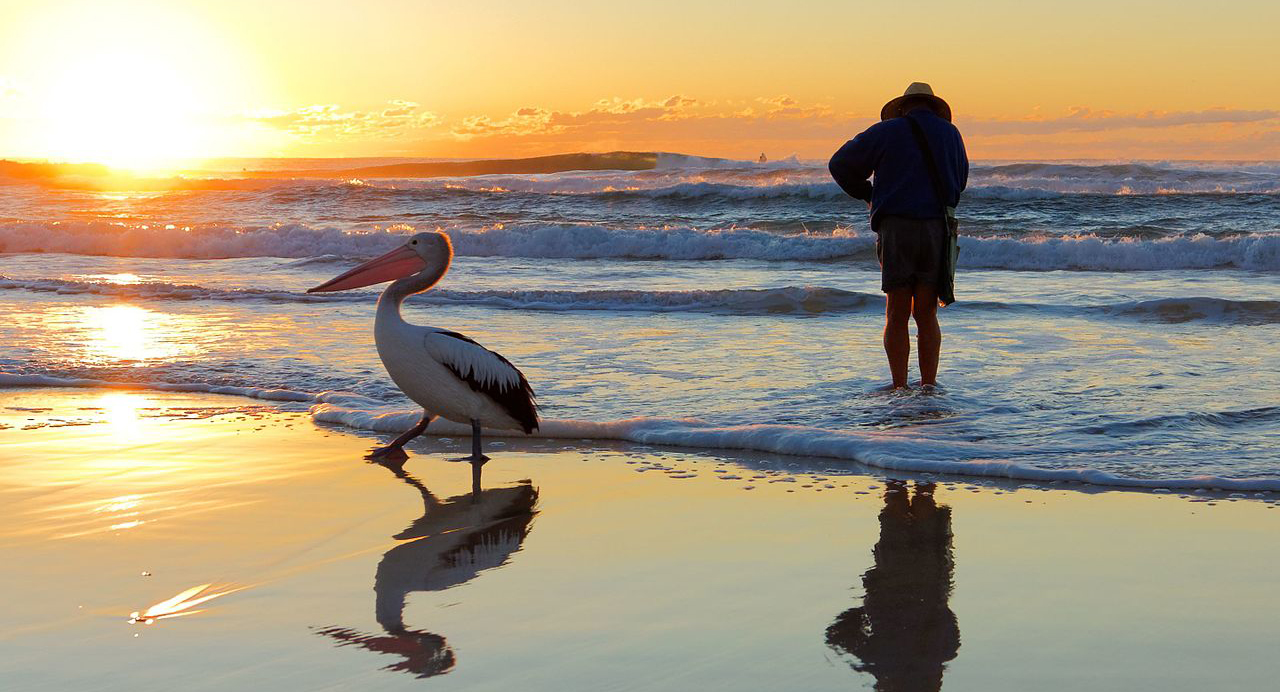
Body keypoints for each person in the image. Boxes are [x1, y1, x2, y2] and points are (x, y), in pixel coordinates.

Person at [829, 83, 968, 389]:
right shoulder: (951, 135)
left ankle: (899, 387)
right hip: (936, 228)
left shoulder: (887, 131)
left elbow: (839, 164)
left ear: (903, 107)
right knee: (927, 314)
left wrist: (868, 193)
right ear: (933, 107)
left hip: (897, 228)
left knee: (897, 312)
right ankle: (928, 385)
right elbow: (960, 182)